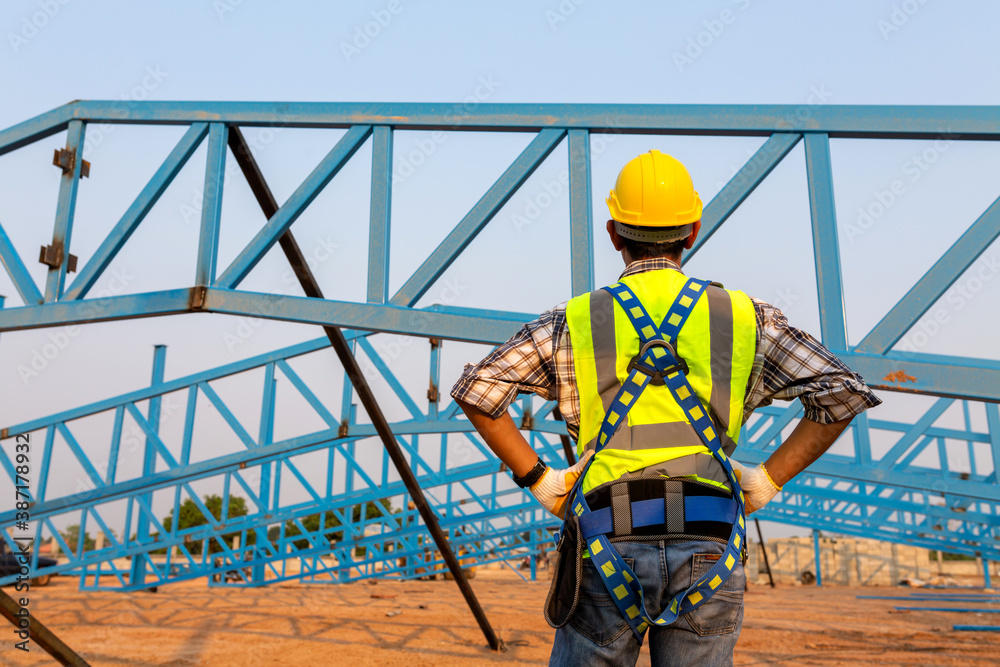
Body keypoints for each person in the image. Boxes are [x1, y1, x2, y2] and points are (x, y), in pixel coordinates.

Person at [451, 149, 881, 666]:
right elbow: (841, 392)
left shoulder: (576, 321)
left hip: (607, 533)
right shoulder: (746, 318)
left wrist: (541, 481)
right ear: (693, 230)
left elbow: (479, 390)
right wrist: (768, 478)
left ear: (614, 234)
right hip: (710, 535)